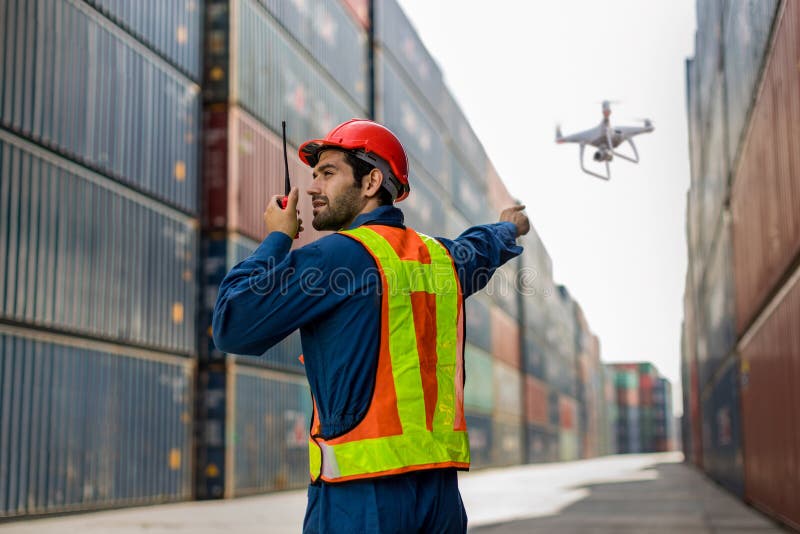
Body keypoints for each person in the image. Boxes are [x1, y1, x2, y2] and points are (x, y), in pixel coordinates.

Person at [212, 119, 530, 533]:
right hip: (440, 501)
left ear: (370, 182)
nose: (311, 188)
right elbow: (480, 248)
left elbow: (233, 324)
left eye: (328, 173)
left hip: (362, 500)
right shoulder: (442, 260)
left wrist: (277, 238)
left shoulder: (337, 258)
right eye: (312, 175)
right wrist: (509, 227)